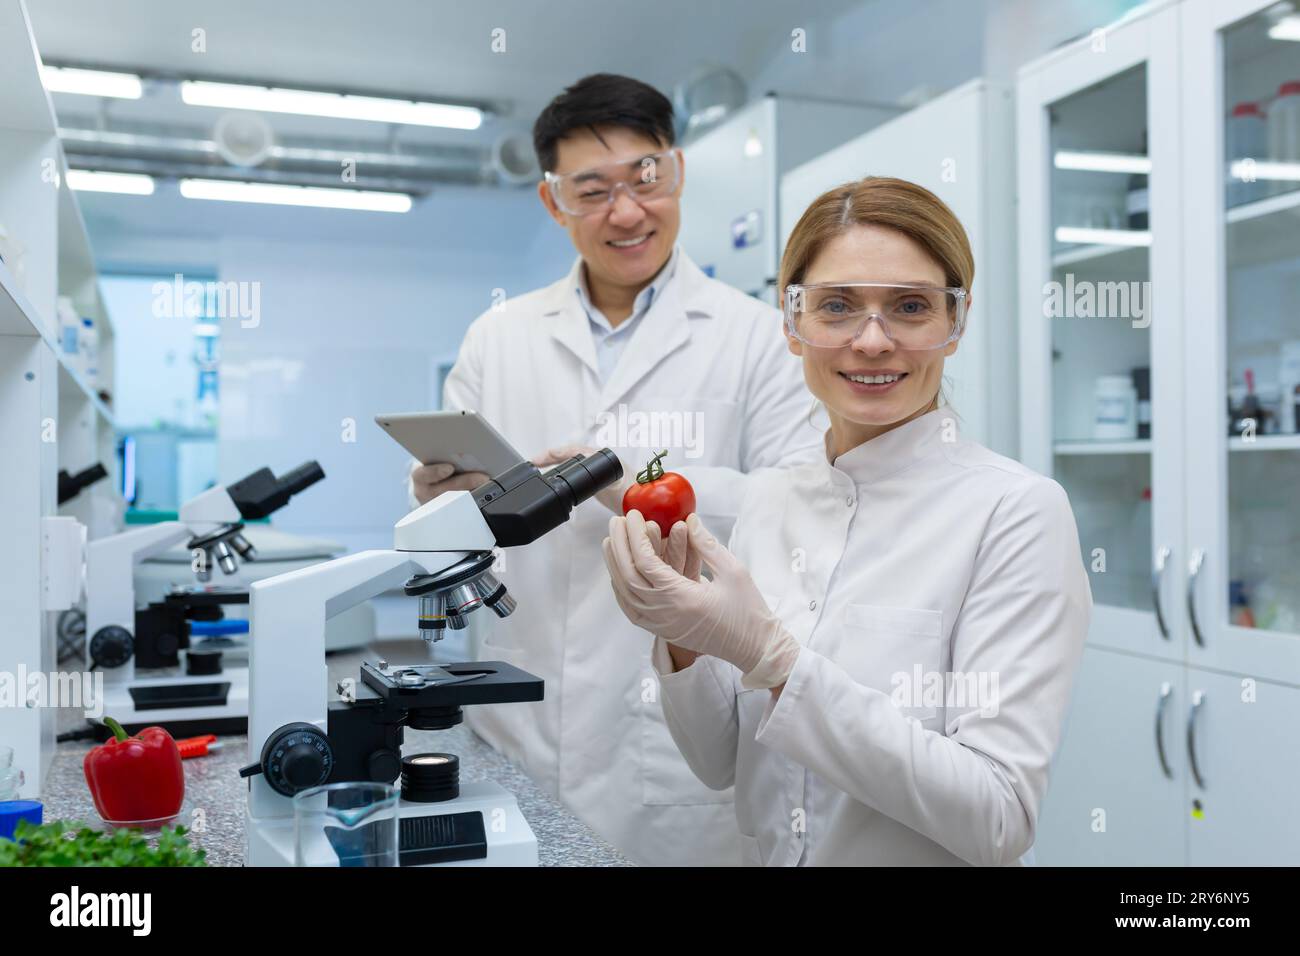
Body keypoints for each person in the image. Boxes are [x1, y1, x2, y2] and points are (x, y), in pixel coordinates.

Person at [602, 176, 1093, 866]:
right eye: (836, 306)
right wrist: (684, 638)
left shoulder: (1015, 512)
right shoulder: (770, 495)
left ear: (955, 324)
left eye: (911, 307)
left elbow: (998, 818)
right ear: (792, 323)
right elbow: (719, 764)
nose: (871, 342)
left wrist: (776, 661)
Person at [410, 74, 821, 866]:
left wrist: (630, 483)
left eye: (646, 179)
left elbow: (796, 508)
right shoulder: (499, 335)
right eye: (592, 190)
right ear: (552, 202)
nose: (626, 212)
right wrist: (433, 495)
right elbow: (442, 537)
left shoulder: (758, 337)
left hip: (668, 731)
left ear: (678, 171)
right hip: (517, 716)